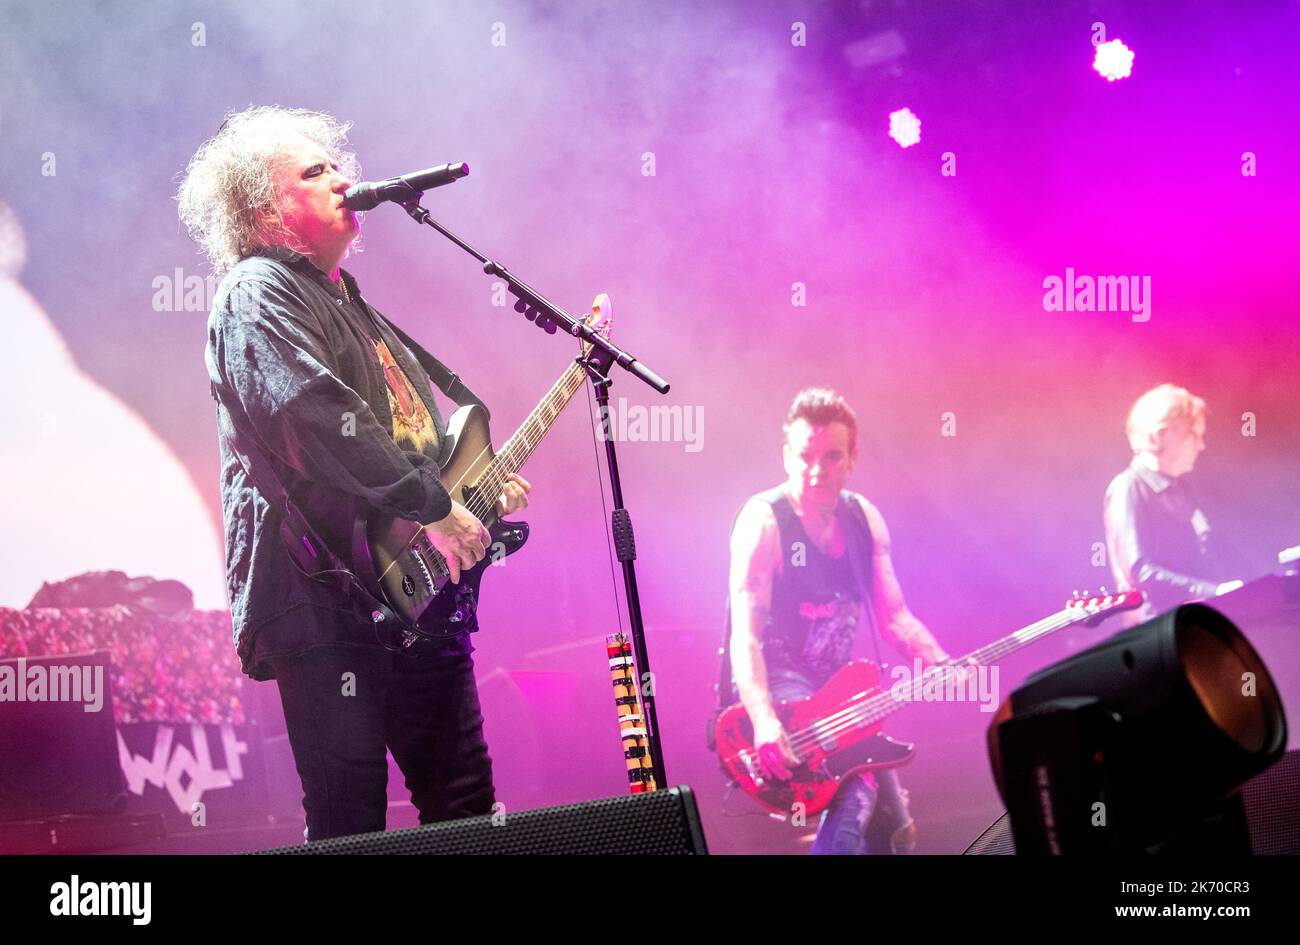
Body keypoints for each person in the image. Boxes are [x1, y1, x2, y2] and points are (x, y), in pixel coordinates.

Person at [178, 106, 532, 840]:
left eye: (337, 164)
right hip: (325, 600)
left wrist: (472, 492)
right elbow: (314, 416)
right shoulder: (256, 292)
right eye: (316, 171)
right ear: (265, 210)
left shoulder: (352, 301)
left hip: (413, 595)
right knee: (351, 827)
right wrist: (433, 504)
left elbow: (411, 439)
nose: (344, 178)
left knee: (464, 804)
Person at [727, 388, 953, 854]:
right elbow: (745, 637)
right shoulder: (764, 522)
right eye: (805, 456)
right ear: (786, 455)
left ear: (852, 458)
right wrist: (765, 720)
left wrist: (936, 658)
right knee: (856, 788)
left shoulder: (862, 518)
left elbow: (895, 618)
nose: (816, 471)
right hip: (780, 688)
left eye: (831, 457)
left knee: (895, 835)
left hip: (843, 694)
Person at [1104, 383, 1240, 627]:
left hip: (1192, 624)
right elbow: (1141, 573)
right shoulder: (1128, 488)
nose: (1201, 445)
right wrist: (1213, 590)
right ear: (1160, 436)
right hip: (1159, 634)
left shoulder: (1181, 487)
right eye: (1194, 435)